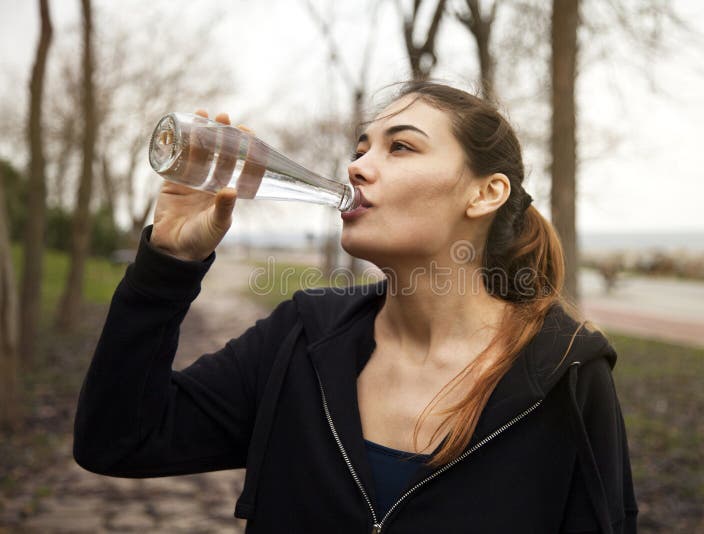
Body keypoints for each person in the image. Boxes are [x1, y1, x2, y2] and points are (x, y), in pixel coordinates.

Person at [73, 81, 638, 533]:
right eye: (361, 148)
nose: (357, 167)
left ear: (485, 193)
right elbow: (119, 440)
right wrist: (167, 263)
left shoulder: (566, 373)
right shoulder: (302, 339)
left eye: (402, 146)